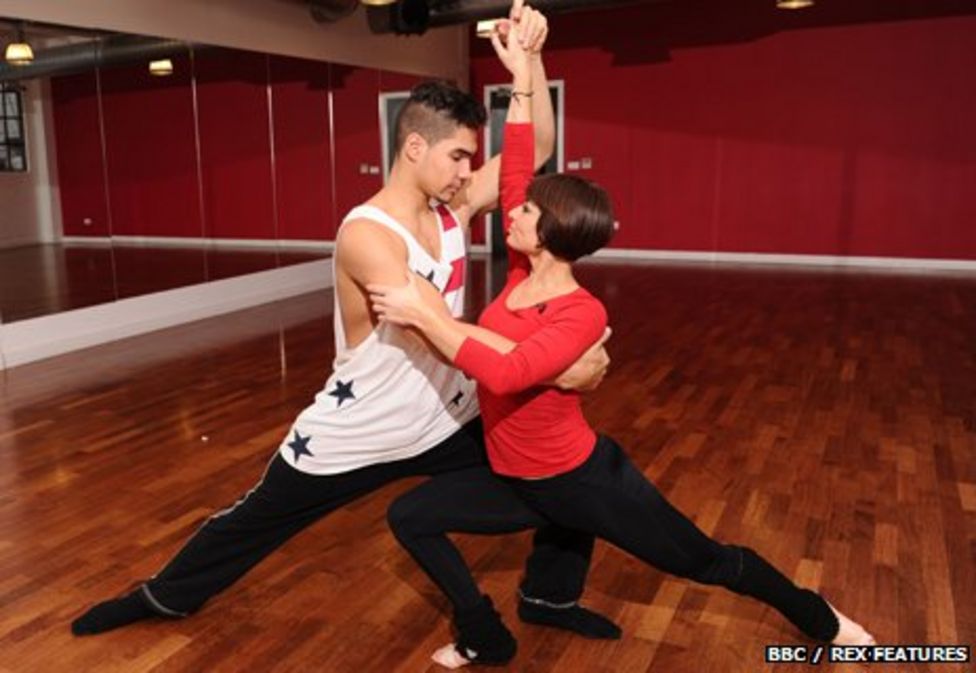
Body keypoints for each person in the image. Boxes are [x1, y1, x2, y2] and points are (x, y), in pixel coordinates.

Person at [70, 1, 620, 644]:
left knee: (567, 475)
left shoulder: (455, 207)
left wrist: (532, 59)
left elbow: (539, 148)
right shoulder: (366, 235)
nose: (469, 172)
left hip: (445, 412)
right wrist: (553, 362)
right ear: (414, 147)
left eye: (471, 159)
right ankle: (163, 597)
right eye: (458, 156)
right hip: (363, 424)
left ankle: (549, 596)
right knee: (254, 520)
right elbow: (429, 325)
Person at [367, 18, 878, 669]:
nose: (510, 209)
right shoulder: (521, 271)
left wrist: (426, 312)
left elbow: (508, 373)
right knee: (411, 515)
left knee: (704, 560)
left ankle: (819, 616)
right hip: (514, 475)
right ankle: (521, 613)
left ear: (550, 234)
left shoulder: (582, 312)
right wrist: (523, 74)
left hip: (582, 479)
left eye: (526, 211)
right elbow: (520, 161)